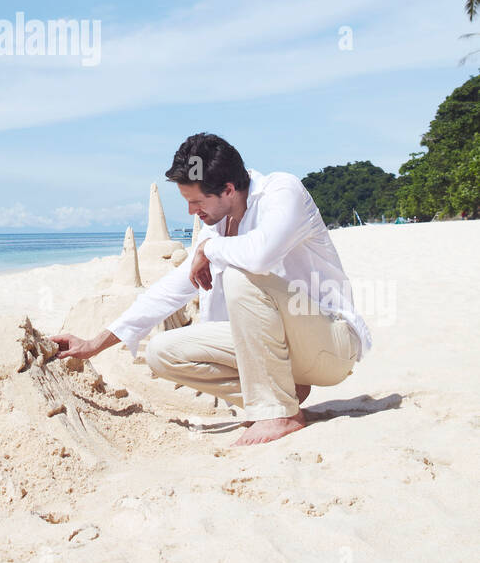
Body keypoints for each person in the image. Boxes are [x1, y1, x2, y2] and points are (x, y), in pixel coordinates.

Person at [53, 133, 372, 446]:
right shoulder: (216, 229)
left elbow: (260, 254)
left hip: (331, 343)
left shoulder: (282, 190)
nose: (192, 211)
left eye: (196, 202)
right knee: (161, 352)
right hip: (281, 349)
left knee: (240, 274)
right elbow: (167, 292)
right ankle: (279, 397)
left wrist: (209, 249)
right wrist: (93, 344)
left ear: (228, 189)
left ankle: (279, 414)